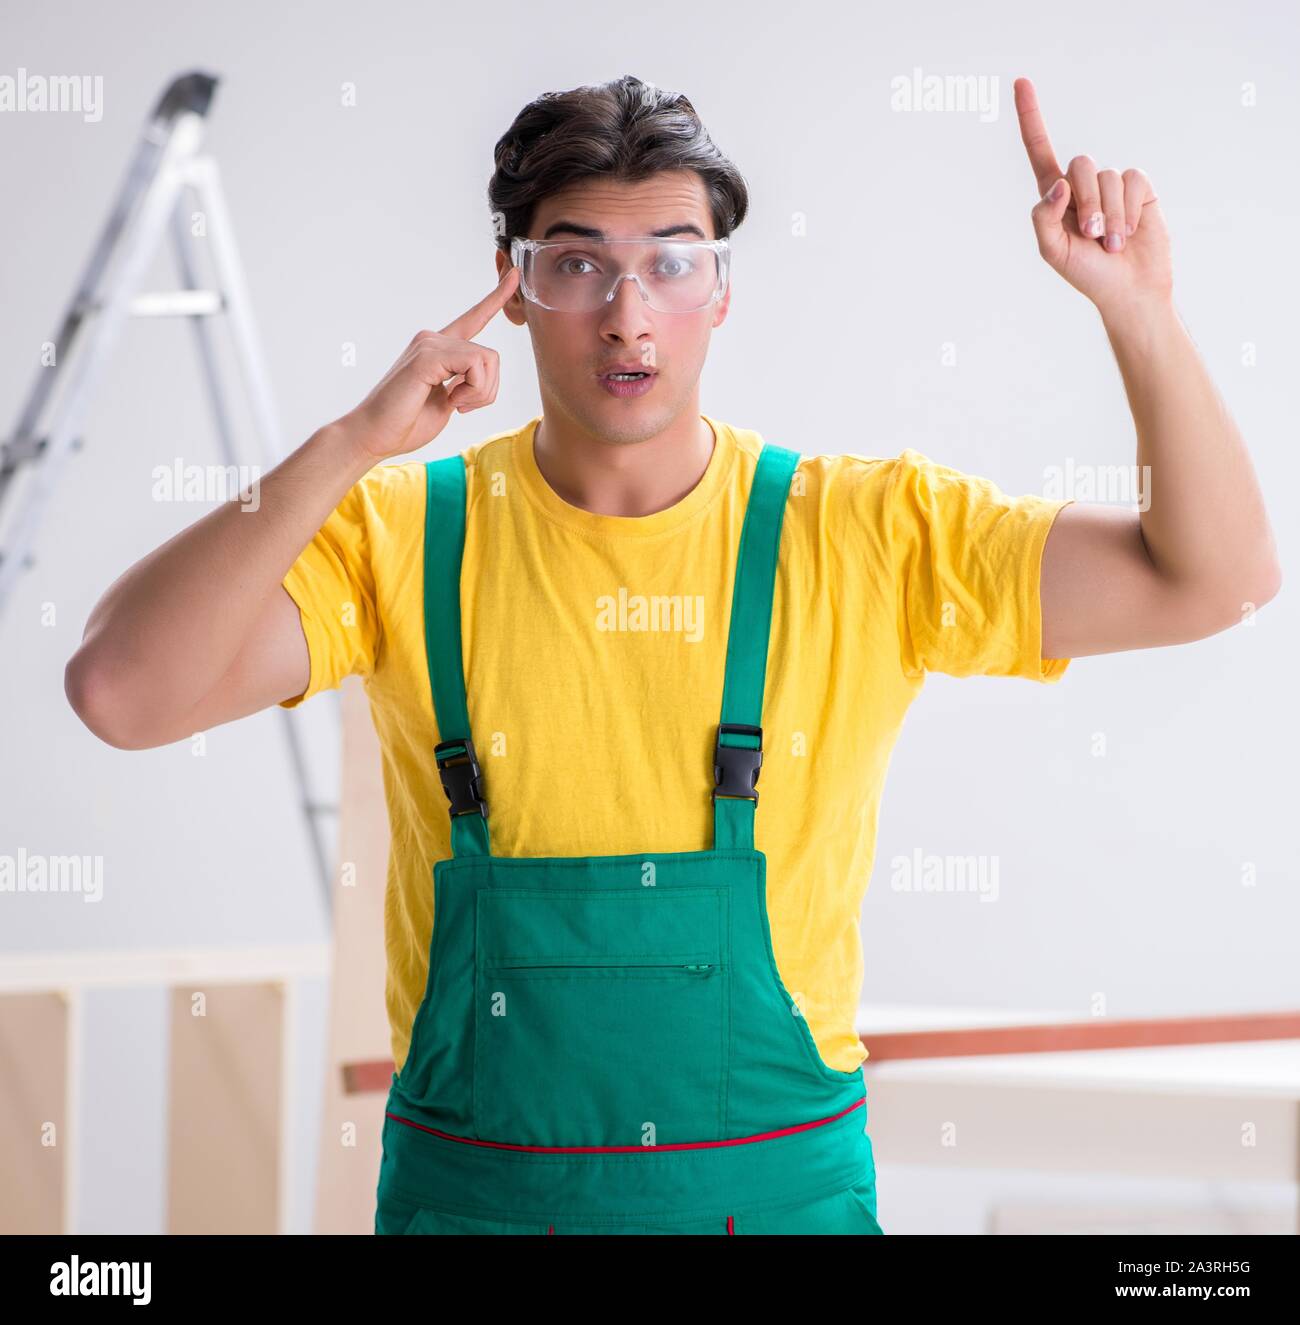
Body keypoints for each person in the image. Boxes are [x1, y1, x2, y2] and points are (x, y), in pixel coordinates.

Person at [64, 74, 1281, 1235]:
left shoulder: (862, 532)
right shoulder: (398, 540)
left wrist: (1139, 316)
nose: (627, 312)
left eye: (672, 262)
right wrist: (348, 441)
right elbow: (121, 689)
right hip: (472, 1206)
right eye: (577, 262)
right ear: (514, 281)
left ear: (722, 289)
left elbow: (1216, 582)